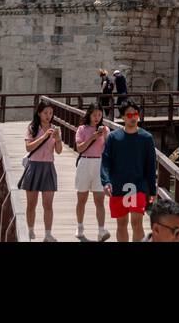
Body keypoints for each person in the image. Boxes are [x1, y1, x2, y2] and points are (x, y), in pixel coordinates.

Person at [100, 101, 157, 242]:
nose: (133, 117)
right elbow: (106, 161)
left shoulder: (147, 138)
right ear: (123, 117)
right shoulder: (113, 138)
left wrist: (153, 191)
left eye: (135, 114)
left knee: (137, 222)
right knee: (121, 223)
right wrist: (106, 182)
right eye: (129, 114)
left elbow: (150, 166)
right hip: (118, 184)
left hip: (138, 185)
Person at [19, 101, 63, 241]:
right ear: (39, 113)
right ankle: (30, 231)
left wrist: (58, 139)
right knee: (32, 203)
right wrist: (44, 137)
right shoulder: (32, 128)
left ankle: (48, 234)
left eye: (50, 113)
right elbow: (28, 148)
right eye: (45, 113)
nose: (48, 116)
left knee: (48, 204)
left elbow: (59, 151)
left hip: (48, 167)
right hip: (34, 166)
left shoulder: (55, 129)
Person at [72, 104, 111, 242]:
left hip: (99, 164)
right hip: (85, 162)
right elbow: (79, 148)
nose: (97, 118)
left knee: (99, 200)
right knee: (81, 199)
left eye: (100, 115)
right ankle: (80, 226)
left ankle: (101, 230)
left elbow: (109, 150)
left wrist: (106, 137)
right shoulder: (82, 129)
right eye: (95, 115)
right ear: (89, 114)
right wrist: (92, 138)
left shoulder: (105, 129)